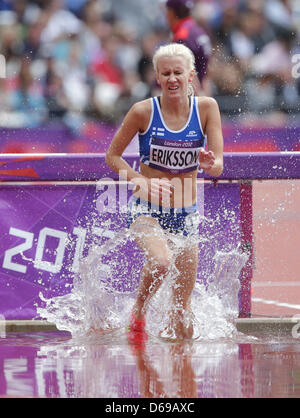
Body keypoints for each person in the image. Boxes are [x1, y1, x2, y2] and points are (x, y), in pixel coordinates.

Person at [105, 43, 223, 341]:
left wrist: (210, 164)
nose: (172, 79)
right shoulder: (143, 111)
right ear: (157, 77)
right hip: (146, 209)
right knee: (160, 261)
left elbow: (219, 166)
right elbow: (112, 157)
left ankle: (183, 382)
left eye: (178, 73)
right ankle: (139, 311)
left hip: (187, 214)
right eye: (166, 73)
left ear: (191, 75)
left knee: (183, 314)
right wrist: (140, 181)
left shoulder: (207, 108)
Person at [165, 0, 212, 96]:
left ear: (171, 12)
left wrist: (197, 104)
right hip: (204, 90)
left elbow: (190, 73)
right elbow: (206, 72)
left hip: (193, 95)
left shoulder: (182, 36)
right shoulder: (199, 31)